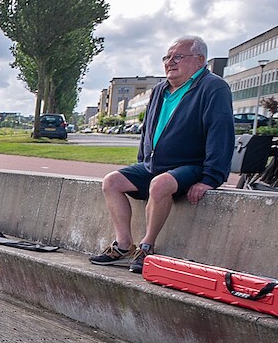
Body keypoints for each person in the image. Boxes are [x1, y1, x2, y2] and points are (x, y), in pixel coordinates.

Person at [89, 35, 234, 274]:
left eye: (178, 56)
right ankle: (124, 245)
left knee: (160, 185)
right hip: (153, 164)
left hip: (189, 165)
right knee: (111, 181)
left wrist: (210, 178)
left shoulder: (213, 87)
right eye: (167, 57)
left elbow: (221, 133)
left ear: (200, 60)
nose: (170, 62)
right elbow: (148, 128)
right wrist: (143, 159)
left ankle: (146, 247)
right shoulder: (160, 89)